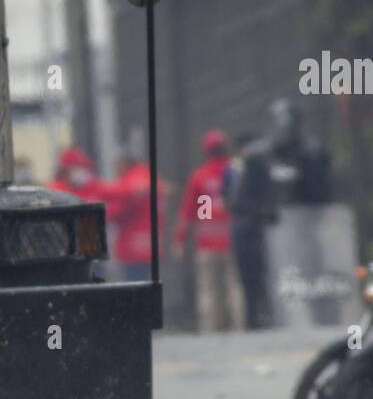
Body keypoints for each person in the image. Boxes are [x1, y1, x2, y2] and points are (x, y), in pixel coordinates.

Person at [175, 130, 243, 331]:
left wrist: (179, 241)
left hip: (206, 244)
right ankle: (238, 328)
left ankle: (210, 330)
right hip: (231, 241)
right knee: (234, 287)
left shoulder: (199, 177)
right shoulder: (234, 173)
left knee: (208, 290)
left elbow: (187, 212)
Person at [224, 130, 276, 329]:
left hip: (246, 231)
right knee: (248, 278)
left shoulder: (249, 169)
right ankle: (252, 318)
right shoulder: (236, 169)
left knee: (253, 278)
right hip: (244, 231)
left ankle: (257, 317)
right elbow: (227, 201)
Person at [104, 154, 166, 282]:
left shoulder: (130, 180)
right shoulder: (151, 178)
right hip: (152, 246)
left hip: (132, 248)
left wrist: (105, 213)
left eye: (117, 166)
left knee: (135, 288)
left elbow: (120, 207)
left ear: (125, 164)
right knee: (152, 283)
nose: (116, 170)